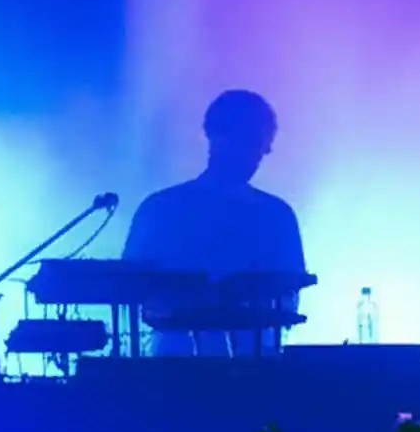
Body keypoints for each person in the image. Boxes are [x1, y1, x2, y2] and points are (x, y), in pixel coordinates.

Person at [122, 90, 306, 357]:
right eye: (253, 142)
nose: (261, 154)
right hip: (188, 372)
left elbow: (289, 296)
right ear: (215, 136)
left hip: (218, 371)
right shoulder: (161, 209)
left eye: (261, 145)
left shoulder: (160, 208)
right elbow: (133, 288)